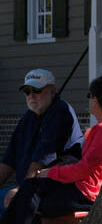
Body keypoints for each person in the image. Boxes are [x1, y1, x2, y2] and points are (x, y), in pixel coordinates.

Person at [0, 77, 102, 224]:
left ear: (97, 100)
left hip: (88, 193)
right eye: (27, 92)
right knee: (31, 192)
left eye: (90, 96)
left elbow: (83, 170)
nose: (31, 96)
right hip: (81, 188)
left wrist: (50, 173)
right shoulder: (99, 128)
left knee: (32, 197)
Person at [0, 69, 83, 202]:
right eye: (27, 91)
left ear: (53, 91)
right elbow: (9, 160)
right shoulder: (28, 117)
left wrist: (22, 189)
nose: (31, 96)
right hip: (33, 186)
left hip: (56, 190)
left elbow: (42, 160)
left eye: (37, 90)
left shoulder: (61, 112)